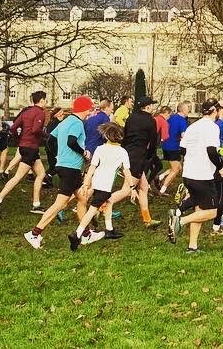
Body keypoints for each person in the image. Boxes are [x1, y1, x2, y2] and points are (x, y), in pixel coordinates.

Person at [23, 95, 94, 250]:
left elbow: (49, 140)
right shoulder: (76, 123)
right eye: (90, 109)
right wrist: (84, 153)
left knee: (82, 199)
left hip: (64, 166)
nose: (90, 113)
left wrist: (57, 156)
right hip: (70, 168)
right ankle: (35, 233)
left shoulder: (65, 122)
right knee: (60, 204)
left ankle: (87, 233)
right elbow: (71, 141)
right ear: (85, 109)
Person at [167, 100, 223, 253]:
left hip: (189, 173)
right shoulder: (212, 127)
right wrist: (220, 167)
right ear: (215, 111)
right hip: (203, 174)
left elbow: (183, 149)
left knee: (199, 209)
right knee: (213, 211)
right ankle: (180, 220)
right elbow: (212, 151)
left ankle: (192, 246)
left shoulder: (193, 126)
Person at [69, 121, 131, 249]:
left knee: (108, 202)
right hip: (106, 185)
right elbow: (127, 171)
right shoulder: (122, 152)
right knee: (92, 210)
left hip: (97, 182)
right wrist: (132, 187)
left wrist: (86, 183)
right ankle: (77, 234)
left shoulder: (100, 148)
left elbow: (92, 167)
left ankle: (109, 229)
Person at [0, 91, 49, 216]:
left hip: (24, 147)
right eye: (46, 100)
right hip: (31, 148)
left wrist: (19, 139)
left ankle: (36, 204)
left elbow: (12, 128)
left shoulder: (26, 112)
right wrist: (48, 136)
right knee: (18, 177)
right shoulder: (40, 113)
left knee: (41, 174)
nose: (46, 103)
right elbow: (36, 130)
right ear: (42, 100)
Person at [122, 95, 162, 231]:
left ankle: (147, 220)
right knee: (127, 190)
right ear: (148, 107)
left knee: (144, 188)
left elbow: (125, 135)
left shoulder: (131, 118)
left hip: (127, 153)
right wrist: (149, 157)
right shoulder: (150, 121)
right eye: (151, 105)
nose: (153, 107)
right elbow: (153, 142)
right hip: (139, 156)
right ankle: (101, 206)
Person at [158, 101, 191, 196]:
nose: (189, 110)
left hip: (165, 145)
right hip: (174, 147)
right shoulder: (182, 121)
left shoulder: (170, 117)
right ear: (183, 110)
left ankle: (161, 176)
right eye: (188, 108)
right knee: (175, 170)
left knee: (178, 167)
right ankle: (162, 190)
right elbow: (184, 136)